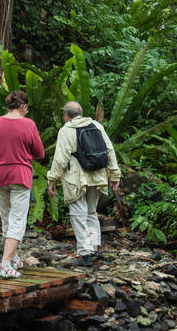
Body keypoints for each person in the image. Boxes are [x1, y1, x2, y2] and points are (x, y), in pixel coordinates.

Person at [46, 100, 121, 265]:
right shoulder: (96, 125)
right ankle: (94, 247)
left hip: (76, 179)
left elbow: (60, 159)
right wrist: (115, 175)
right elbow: (109, 150)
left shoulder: (66, 130)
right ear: (80, 112)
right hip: (97, 176)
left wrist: (52, 179)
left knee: (78, 215)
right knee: (91, 212)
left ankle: (85, 253)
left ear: (66, 115)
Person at [0, 90, 44, 278]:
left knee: (6, 217)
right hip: (20, 173)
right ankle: (5, 263)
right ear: (24, 106)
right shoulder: (29, 124)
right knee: (17, 219)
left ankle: (15, 257)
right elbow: (40, 152)